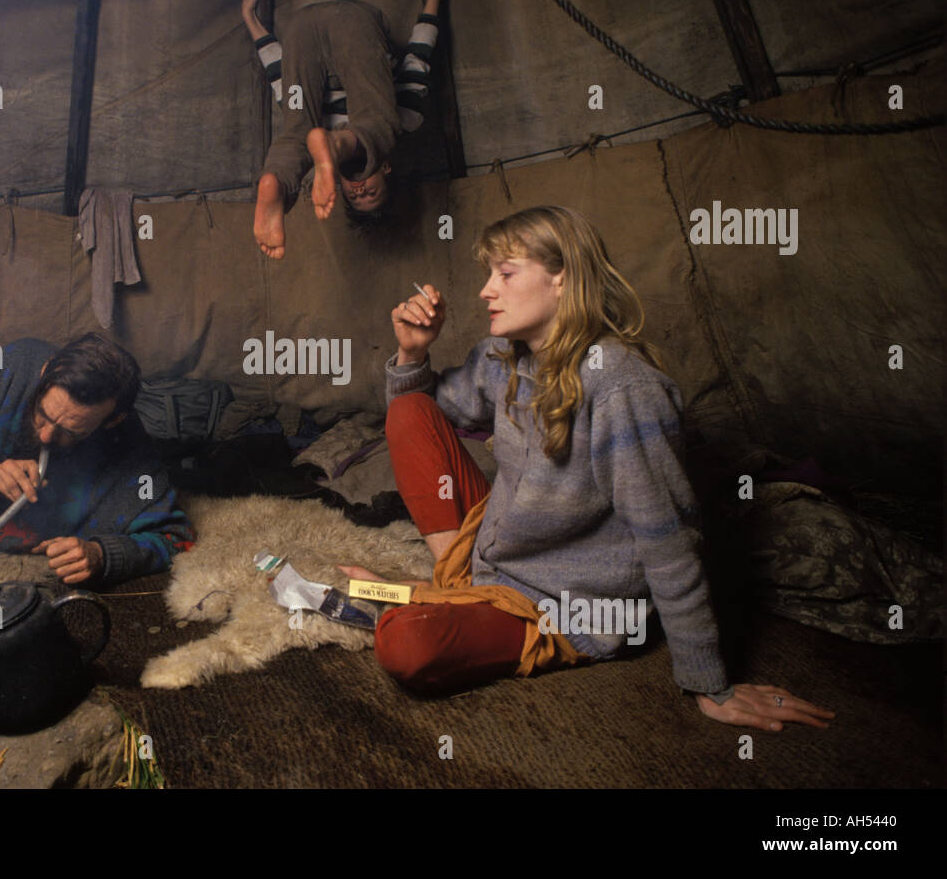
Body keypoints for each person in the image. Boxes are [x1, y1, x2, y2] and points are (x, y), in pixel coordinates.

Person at [345, 206, 834, 733]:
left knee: (408, 644)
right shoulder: (502, 357)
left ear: (563, 279)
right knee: (409, 408)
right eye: (489, 274)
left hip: (564, 608)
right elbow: (428, 423)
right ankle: (452, 586)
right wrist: (412, 353)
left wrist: (708, 681)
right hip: (494, 561)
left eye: (505, 274)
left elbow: (668, 539)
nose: (486, 290)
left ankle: (426, 602)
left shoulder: (624, 387)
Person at [0, 334, 193, 587]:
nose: (46, 436)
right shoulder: (15, 363)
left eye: (70, 431)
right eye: (43, 413)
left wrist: (103, 555)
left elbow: (174, 538)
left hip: (33, 571)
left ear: (113, 420)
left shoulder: (132, 446)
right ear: (45, 372)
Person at [244, 0, 444, 259]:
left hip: (302, 35)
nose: (360, 190)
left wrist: (252, 21)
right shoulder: (408, 118)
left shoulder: (317, 141)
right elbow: (419, 55)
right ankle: (337, 146)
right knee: (384, 123)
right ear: (386, 169)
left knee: (297, 129)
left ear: (339, 185)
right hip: (353, 30)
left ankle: (278, 180)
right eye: (371, 192)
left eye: (355, 196)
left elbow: (279, 78)